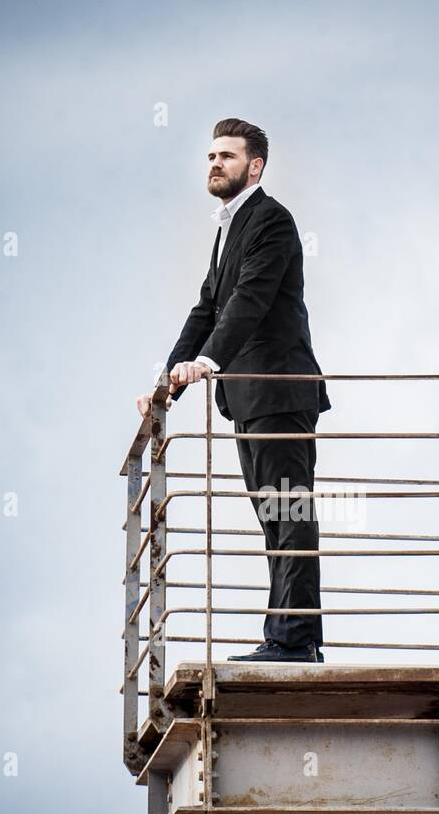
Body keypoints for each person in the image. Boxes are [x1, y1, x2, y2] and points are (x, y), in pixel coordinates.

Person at [136, 117, 330, 663]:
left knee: (289, 515)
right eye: (210, 156)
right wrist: (165, 386)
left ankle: (294, 641)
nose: (214, 163)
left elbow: (250, 299)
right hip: (248, 398)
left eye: (226, 155)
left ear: (255, 166)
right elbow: (208, 307)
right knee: (274, 518)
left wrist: (205, 361)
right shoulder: (227, 228)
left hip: (279, 390)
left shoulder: (271, 220)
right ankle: (287, 637)